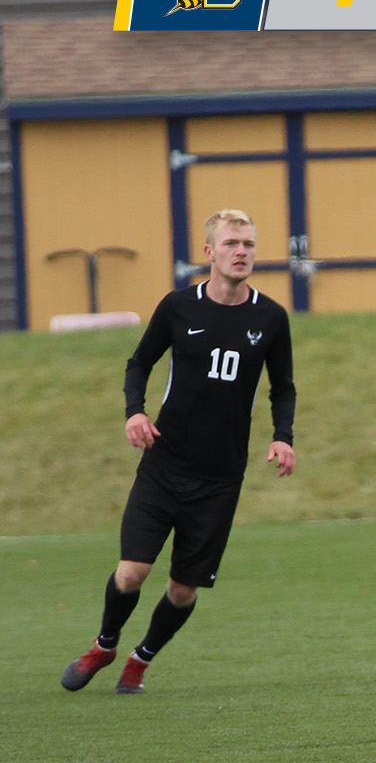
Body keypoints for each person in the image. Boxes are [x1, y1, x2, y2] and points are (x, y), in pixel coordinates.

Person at [60, 209, 297, 695]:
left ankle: (140, 660)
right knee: (132, 572)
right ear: (209, 252)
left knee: (183, 588)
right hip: (165, 466)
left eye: (249, 244)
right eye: (232, 243)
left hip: (219, 479)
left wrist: (282, 436)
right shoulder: (177, 307)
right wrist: (134, 412)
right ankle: (104, 646)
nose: (242, 252)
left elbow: (283, 387)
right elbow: (139, 363)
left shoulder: (270, 317)